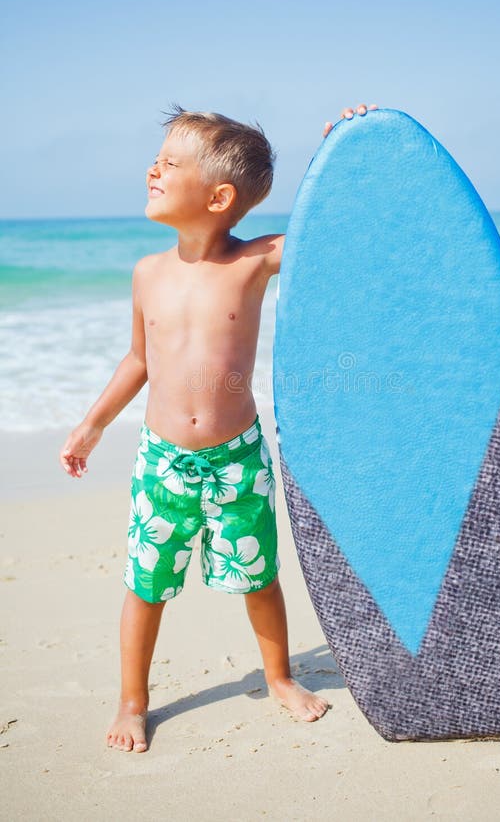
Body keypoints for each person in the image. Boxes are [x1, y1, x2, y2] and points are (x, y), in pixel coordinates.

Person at [59, 101, 376, 753]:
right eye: (157, 159)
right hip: (163, 462)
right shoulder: (148, 273)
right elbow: (140, 359)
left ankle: (280, 676)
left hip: (237, 460)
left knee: (258, 579)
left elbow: (338, 232)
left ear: (219, 195)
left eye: (170, 163)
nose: (152, 168)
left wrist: (351, 144)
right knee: (145, 586)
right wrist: (92, 424)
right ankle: (132, 701)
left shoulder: (254, 261)